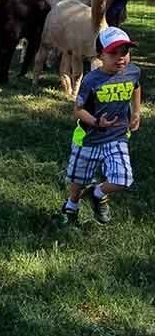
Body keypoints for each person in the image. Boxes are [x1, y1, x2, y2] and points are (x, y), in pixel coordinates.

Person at [58, 27, 142, 227]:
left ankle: (98, 193)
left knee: (124, 178)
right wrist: (97, 122)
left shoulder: (133, 71)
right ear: (100, 55)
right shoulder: (91, 80)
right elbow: (78, 110)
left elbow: (136, 87)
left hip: (117, 136)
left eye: (125, 52)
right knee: (79, 178)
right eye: (113, 53)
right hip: (89, 138)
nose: (121, 58)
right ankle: (71, 207)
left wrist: (136, 111)